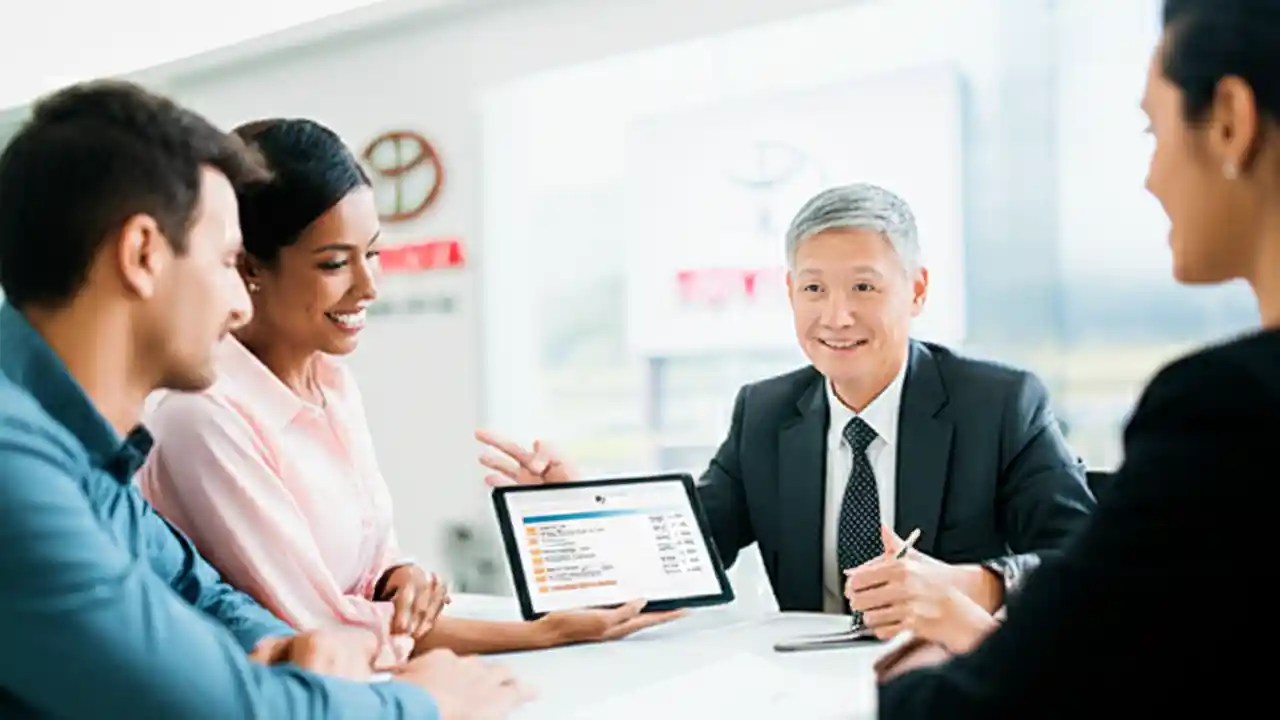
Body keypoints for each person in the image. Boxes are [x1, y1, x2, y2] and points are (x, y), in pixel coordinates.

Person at [0, 81, 528, 718]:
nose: (240, 303)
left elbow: (202, 593)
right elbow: (217, 707)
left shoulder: (83, 453)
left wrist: (285, 648)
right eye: (227, 262)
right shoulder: (13, 463)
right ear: (142, 254)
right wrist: (423, 704)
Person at [137, 117, 682, 665]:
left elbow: (366, 571)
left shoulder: (333, 382)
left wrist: (398, 578)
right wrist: (544, 633)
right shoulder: (203, 417)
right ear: (250, 267)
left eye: (371, 253)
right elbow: (318, 630)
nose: (369, 285)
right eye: (334, 263)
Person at [477, 182, 1096, 654]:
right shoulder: (765, 413)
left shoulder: (999, 403)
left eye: (864, 288)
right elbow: (691, 547)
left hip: (946, 675)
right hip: (800, 680)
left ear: (917, 290)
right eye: (813, 289)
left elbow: (1086, 559)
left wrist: (971, 586)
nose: (836, 317)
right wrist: (582, 518)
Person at [877, 0, 1279, 714]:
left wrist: (920, 666)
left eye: (1153, 131)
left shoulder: (1228, 411)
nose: (1151, 178)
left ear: (1230, 121)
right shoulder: (767, 408)